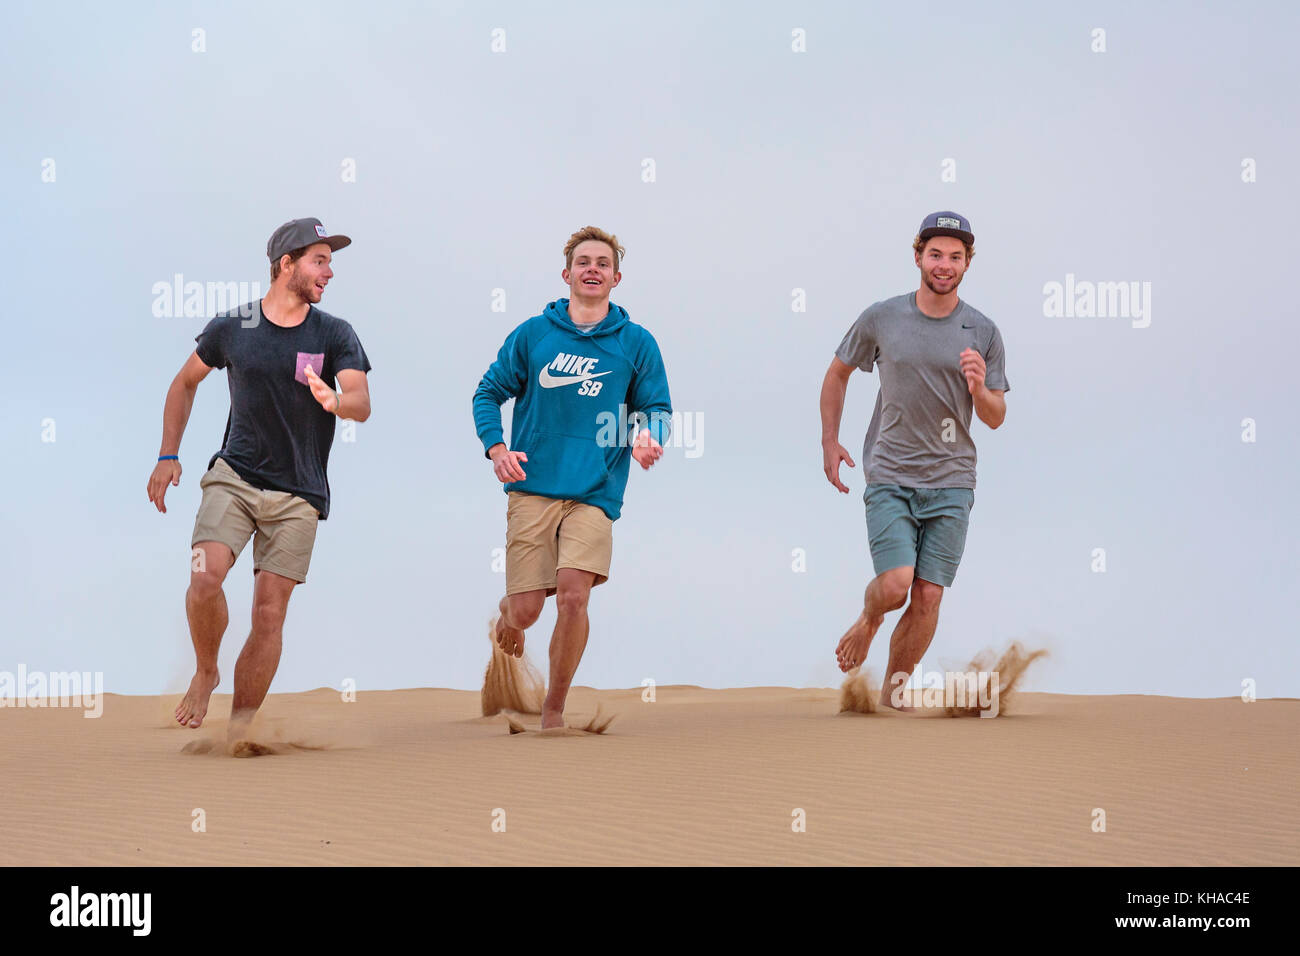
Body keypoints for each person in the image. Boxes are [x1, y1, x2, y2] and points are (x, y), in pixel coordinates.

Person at [146, 217, 372, 746]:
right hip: (235, 476)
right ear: (285, 265)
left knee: (268, 613)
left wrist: (337, 401)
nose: (330, 271)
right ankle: (206, 670)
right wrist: (167, 453)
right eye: (320, 260)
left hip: (300, 494)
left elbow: (361, 401)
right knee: (205, 575)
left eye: (331, 261)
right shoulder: (233, 326)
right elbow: (183, 383)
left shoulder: (335, 333)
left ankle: (240, 731)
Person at [473, 226, 671, 729]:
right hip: (533, 486)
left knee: (573, 595)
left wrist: (649, 434)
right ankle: (507, 614)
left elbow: (658, 407)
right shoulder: (533, 335)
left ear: (616, 277)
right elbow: (488, 392)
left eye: (602, 263)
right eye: (583, 261)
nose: (592, 269)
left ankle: (553, 711)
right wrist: (496, 448)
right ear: (566, 274)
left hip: (595, 492)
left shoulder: (636, 343)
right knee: (526, 611)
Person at [820, 211, 1009, 710]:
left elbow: (995, 416)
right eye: (935, 254)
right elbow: (837, 373)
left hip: (952, 481)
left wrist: (977, 386)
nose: (944, 264)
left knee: (927, 595)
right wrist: (830, 441)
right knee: (898, 583)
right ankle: (869, 619)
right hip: (891, 472)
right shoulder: (883, 317)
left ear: (968, 263)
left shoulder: (983, 330)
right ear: (918, 256)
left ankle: (892, 694)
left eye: (955, 256)